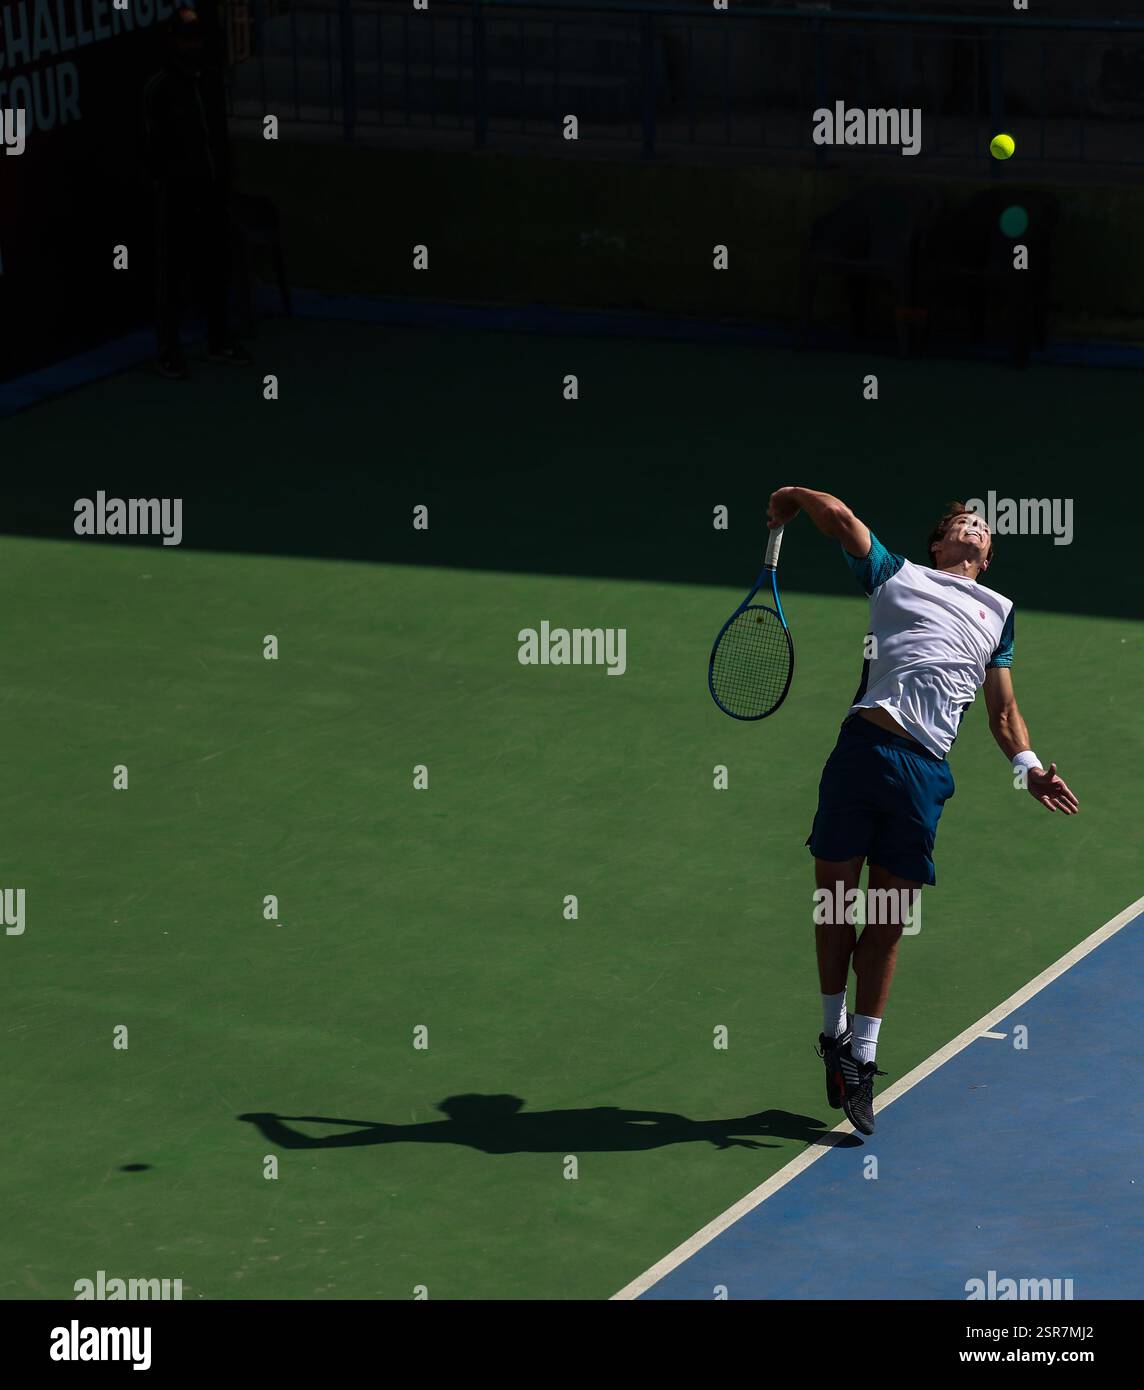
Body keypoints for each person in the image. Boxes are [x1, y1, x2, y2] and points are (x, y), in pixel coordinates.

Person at [766, 488, 1079, 1135]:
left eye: (983, 528)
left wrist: (1030, 767)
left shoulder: (999, 612)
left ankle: (863, 1060)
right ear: (939, 545)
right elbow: (844, 520)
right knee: (834, 906)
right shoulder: (894, 573)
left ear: (985, 555)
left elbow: (1001, 712)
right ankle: (833, 1034)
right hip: (861, 752)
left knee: (884, 925)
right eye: (963, 522)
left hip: (923, 775)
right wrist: (793, 497)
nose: (974, 527)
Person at [143, 6, 250, 378]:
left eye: (197, 37)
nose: (193, 44)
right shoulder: (158, 88)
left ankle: (218, 340)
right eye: (186, 38)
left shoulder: (211, 81)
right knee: (171, 276)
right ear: (173, 41)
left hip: (213, 192)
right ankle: (167, 352)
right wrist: (166, 183)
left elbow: (219, 136)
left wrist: (224, 180)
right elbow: (150, 147)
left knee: (216, 266)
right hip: (176, 197)